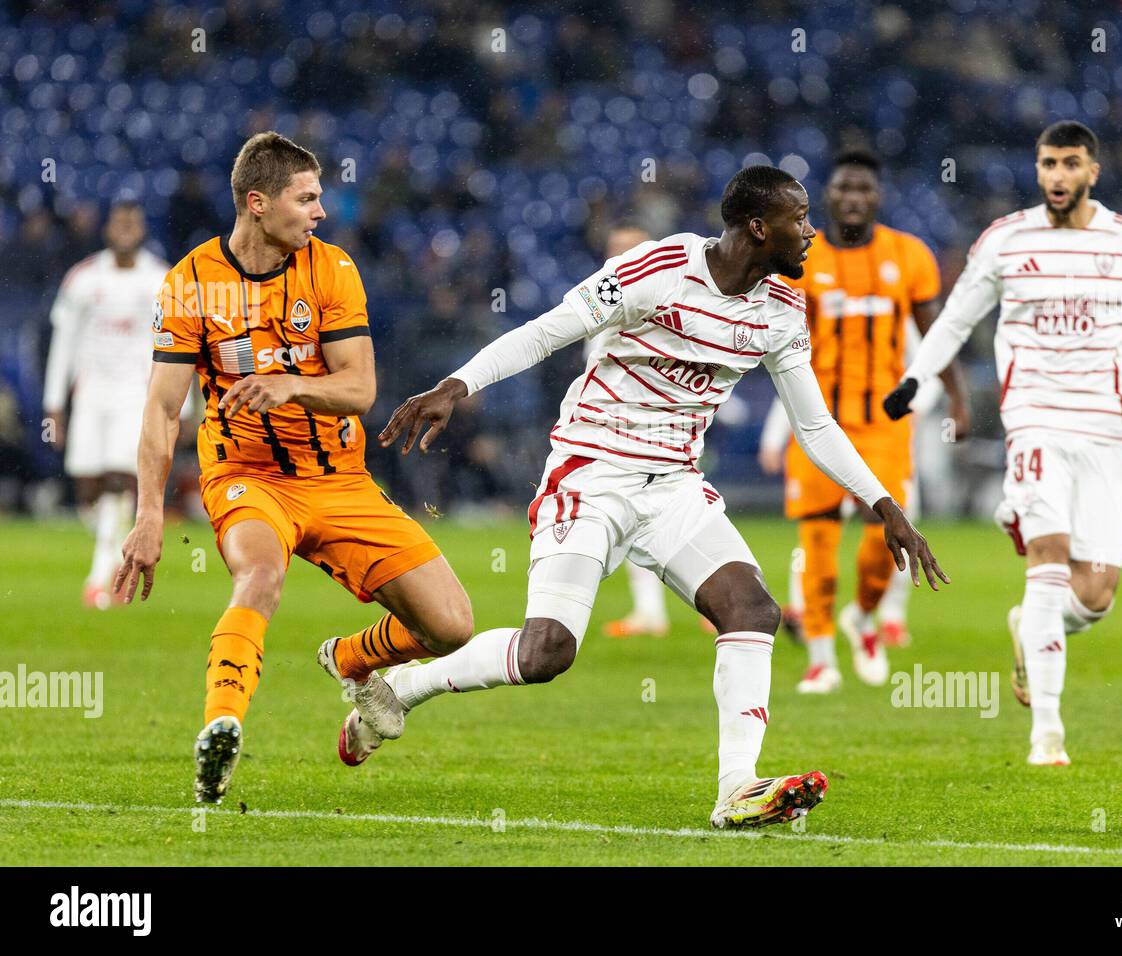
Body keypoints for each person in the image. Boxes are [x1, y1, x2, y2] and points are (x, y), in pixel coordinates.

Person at [368, 166, 950, 829]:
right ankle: (406, 686)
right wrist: (457, 384)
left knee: (752, 610)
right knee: (545, 654)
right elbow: (546, 330)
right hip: (593, 474)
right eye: (800, 218)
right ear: (759, 228)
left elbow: (813, 425)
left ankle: (738, 789)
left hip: (674, 485)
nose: (812, 232)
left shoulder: (781, 309)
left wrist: (886, 507)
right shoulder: (657, 268)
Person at [114, 132, 474, 804]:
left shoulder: (331, 268)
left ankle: (351, 659)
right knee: (260, 573)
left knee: (451, 625)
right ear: (257, 203)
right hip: (249, 476)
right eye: (305, 198)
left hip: (338, 481)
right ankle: (221, 723)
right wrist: (148, 515)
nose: (319, 211)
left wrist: (290, 386)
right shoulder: (190, 284)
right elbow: (164, 410)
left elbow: (360, 388)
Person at [884, 121, 1122, 766]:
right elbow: (956, 317)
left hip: (1106, 428)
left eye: (1070, 163)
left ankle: (1030, 628)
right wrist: (914, 380)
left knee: (1096, 594)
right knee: (1047, 567)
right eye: (1048, 163)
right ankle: (1047, 734)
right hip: (1037, 422)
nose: (1057, 175)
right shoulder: (1006, 239)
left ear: (1092, 172)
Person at [756, 148, 969, 693]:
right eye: (843, 189)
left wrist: (959, 402)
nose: (853, 199)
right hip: (818, 422)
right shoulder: (800, 258)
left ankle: (865, 616)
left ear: (878, 196)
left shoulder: (910, 256)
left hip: (883, 424)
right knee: (819, 543)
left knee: (886, 536)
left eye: (863, 190)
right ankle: (822, 657)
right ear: (827, 196)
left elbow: (935, 334)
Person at [43, 199, 169, 609]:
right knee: (87, 487)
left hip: (136, 393)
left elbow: (175, 350)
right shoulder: (82, 278)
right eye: (119, 221)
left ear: (143, 228)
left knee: (120, 477)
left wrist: (179, 410)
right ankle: (111, 547)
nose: (126, 228)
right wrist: (54, 403)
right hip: (91, 393)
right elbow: (63, 344)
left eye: (133, 221)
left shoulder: (160, 278)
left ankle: (99, 577)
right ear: (108, 228)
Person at [593, 223, 675, 640]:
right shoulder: (602, 303)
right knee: (637, 521)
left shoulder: (659, 304)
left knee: (662, 516)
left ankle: (712, 599)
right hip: (618, 435)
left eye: (629, 249)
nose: (618, 257)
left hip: (657, 434)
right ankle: (654, 610)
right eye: (614, 249)